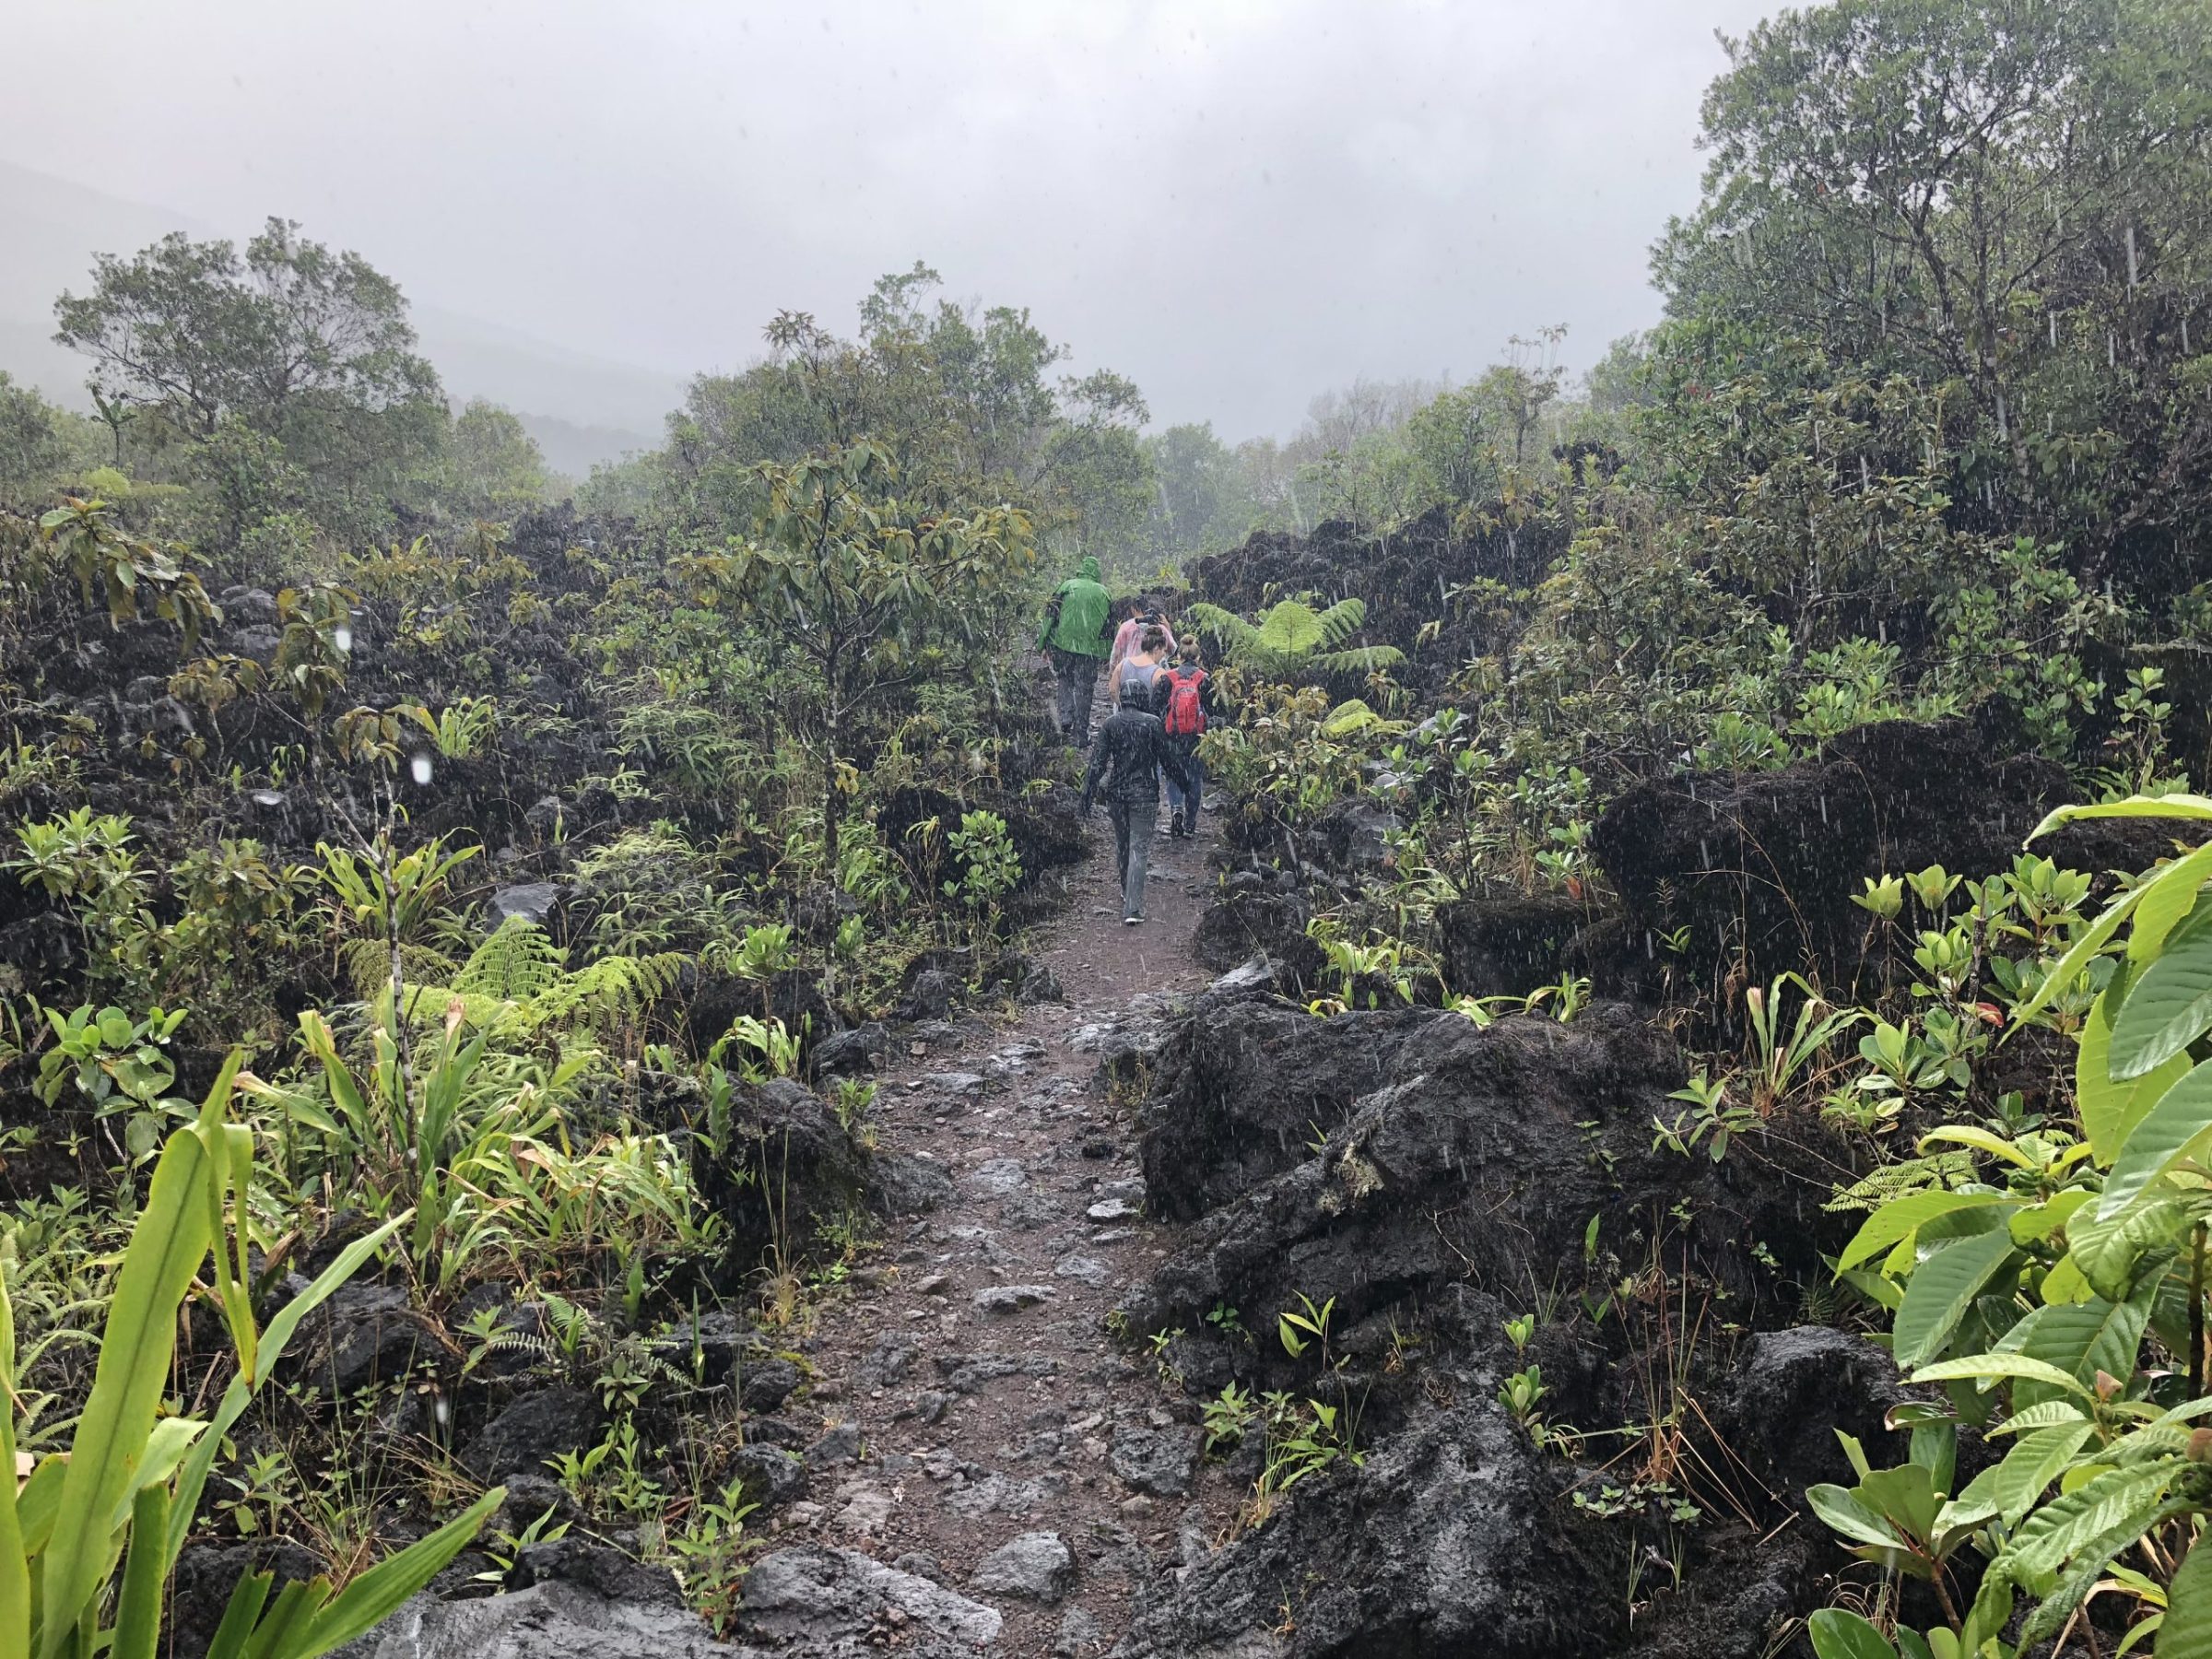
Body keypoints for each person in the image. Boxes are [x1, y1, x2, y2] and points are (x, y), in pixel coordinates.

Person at [1079, 700, 1194, 925]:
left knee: (1122, 844)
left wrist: (1087, 795)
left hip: (1117, 796)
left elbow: (1098, 764)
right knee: (1138, 849)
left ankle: (1126, 890)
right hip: (1145, 796)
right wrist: (1185, 785)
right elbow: (1169, 760)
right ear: (1142, 699)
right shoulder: (1152, 723)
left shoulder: (1111, 724)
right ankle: (1133, 907)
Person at [1037, 555, 1112, 745]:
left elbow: (1050, 616)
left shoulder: (1067, 586)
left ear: (1081, 569)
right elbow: (1108, 628)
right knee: (1085, 689)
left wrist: (1043, 644)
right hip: (1089, 650)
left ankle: (1066, 718)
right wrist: (1106, 654)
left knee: (1064, 679)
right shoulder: (1104, 593)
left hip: (1063, 644)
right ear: (1097, 572)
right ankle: (1080, 733)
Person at [1150, 641, 1214, 837]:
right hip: (1197, 737)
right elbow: (1213, 710)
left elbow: (1155, 708)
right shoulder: (1205, 679)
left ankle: (1176, 809)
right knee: (1195, 777)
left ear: (1178, 658)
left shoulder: (1168, 678)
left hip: (1172, 736)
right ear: (1197, 657)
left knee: (1173, 774)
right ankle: (1190, 823)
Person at [1108, 596, 1176, 686]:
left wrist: (1112, 673)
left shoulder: (1126, 627)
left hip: (1129, 671)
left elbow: (1115, 653)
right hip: (1154, 673)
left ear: (1133, 609)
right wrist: (1167, 627)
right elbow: (1173, 649)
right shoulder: (1159, 627)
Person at [1112, 623, 1171, 711]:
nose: (1164, 655)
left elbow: (1112, 691)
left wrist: (1122, 707)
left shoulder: (1123, 663)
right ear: (1157, 649)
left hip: (1123, 718)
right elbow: (1164, 702)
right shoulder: (1159, 673)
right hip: (1147, 721)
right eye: (1163, 651)